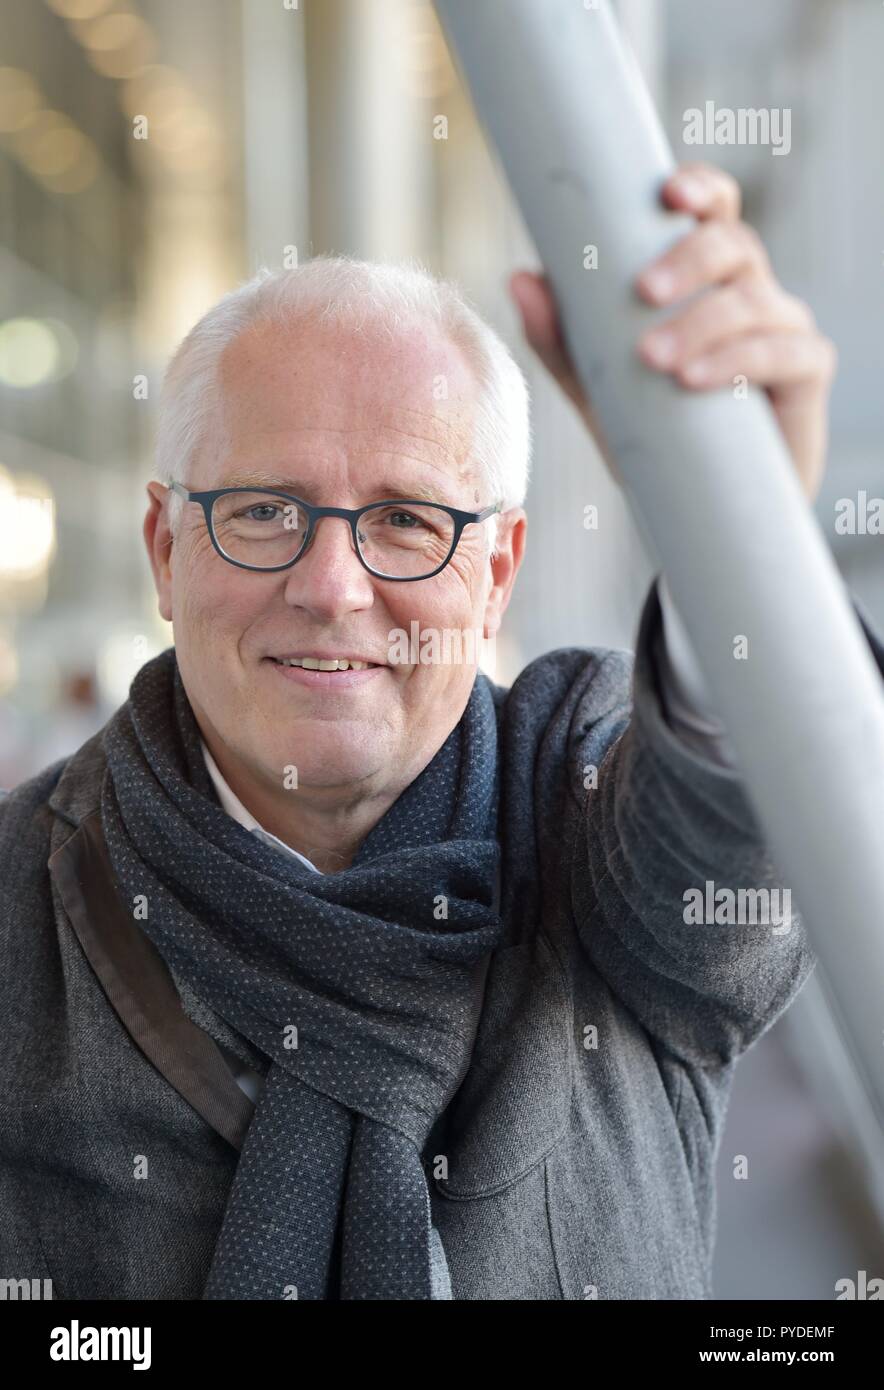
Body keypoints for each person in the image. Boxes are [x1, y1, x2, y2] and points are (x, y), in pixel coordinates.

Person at [1, 162, 881, 1301]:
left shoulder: (584, 808)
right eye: (266, 509)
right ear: (167, 550)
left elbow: (718, 859)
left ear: (497, 572)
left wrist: (730, 530)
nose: (331, 585)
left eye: (406, 519)